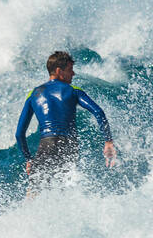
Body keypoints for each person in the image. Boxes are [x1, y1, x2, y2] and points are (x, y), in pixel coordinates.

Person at [15, 51, 116, 181]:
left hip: (48, 143)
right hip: (70, 146)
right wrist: (108, 141)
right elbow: (98, 112)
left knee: (35, 190)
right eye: (70, 70)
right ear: (59, 71)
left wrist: (28, 159)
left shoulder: (34, 94)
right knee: (64, 186)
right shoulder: (73, 90)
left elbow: (19, 134)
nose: (73, 73)